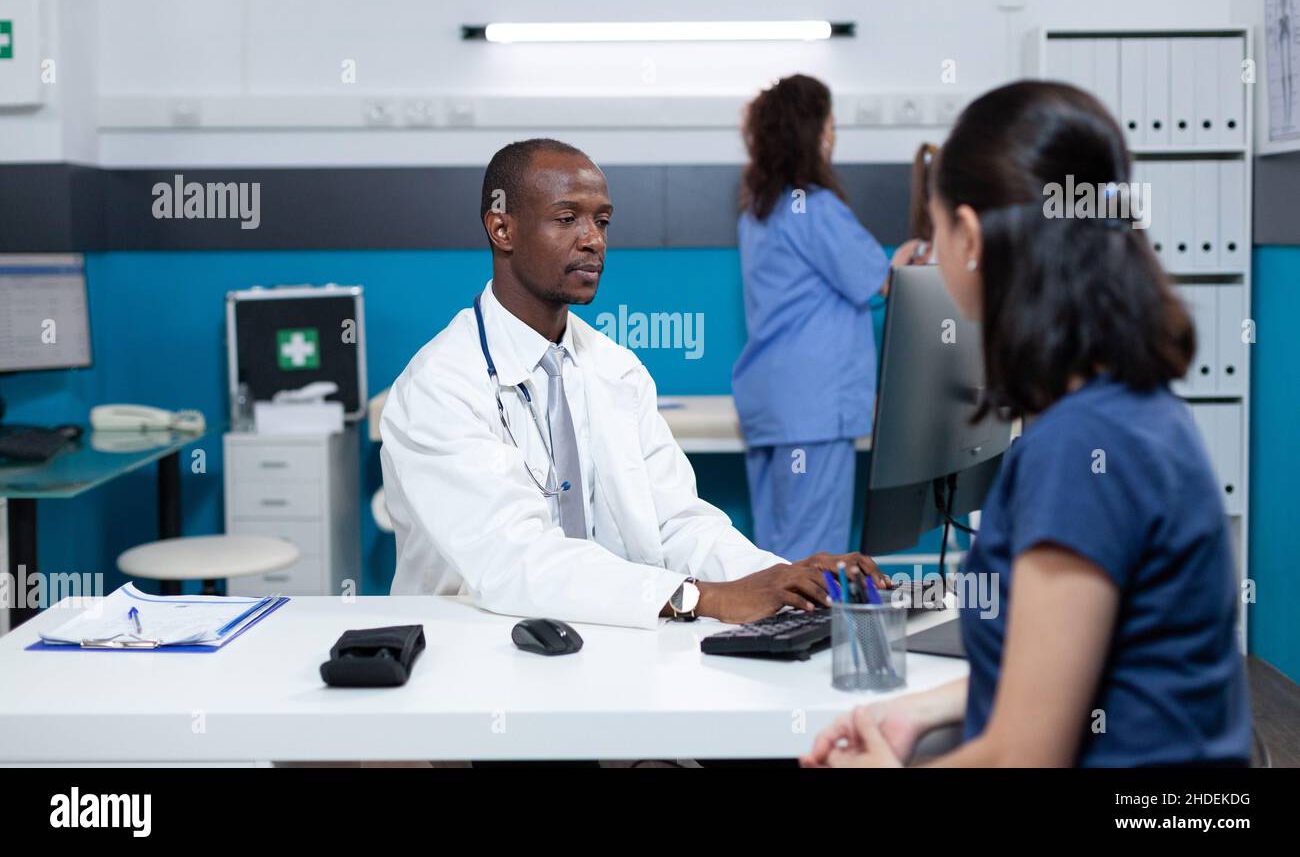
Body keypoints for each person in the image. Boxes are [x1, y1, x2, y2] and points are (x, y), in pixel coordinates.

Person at [802, 81, 1252, 767]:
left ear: (972, 237)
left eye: (938, 228)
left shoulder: (1080, 447)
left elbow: (1024, 757)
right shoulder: (1126, 409)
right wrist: (913, 709)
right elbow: (1070, 668)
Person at [381, 138, 887, 630]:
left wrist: (780, 579)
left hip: (603, 638)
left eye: (601, 221)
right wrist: (701, 598)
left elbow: (676, 521)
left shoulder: (615, 369)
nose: (593, 239)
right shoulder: (440, 386)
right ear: (502, 229)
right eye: (566, 219)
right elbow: (516, 562)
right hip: (469, 656)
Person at [732, 74, 920, 561]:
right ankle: (804, 638)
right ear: (811, 135)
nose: (834, 137)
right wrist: (911, 259)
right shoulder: (815, 209)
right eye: (830, 126)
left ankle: (770, 635)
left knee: (774, 557)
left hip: (773, 404)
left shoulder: (757, 212)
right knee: (812, 561)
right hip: (812, 411)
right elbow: (879, 281)